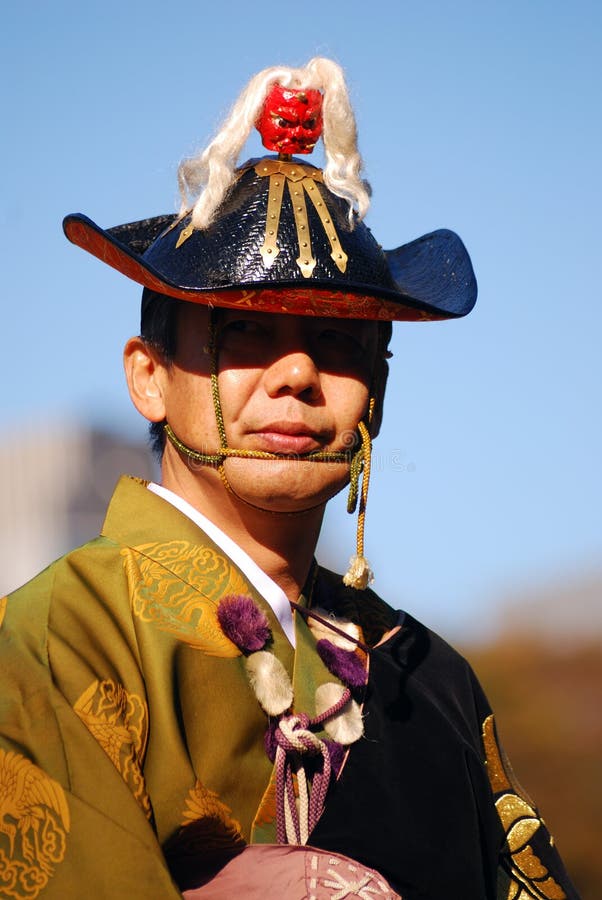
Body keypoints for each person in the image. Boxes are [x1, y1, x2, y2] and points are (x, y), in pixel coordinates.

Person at [0, 59, 579, 900]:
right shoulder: (55, 639)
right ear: (149, 376)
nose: (299, 374)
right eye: (244, 332)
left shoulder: (432, 679)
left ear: (378, 390)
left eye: (339, 343)